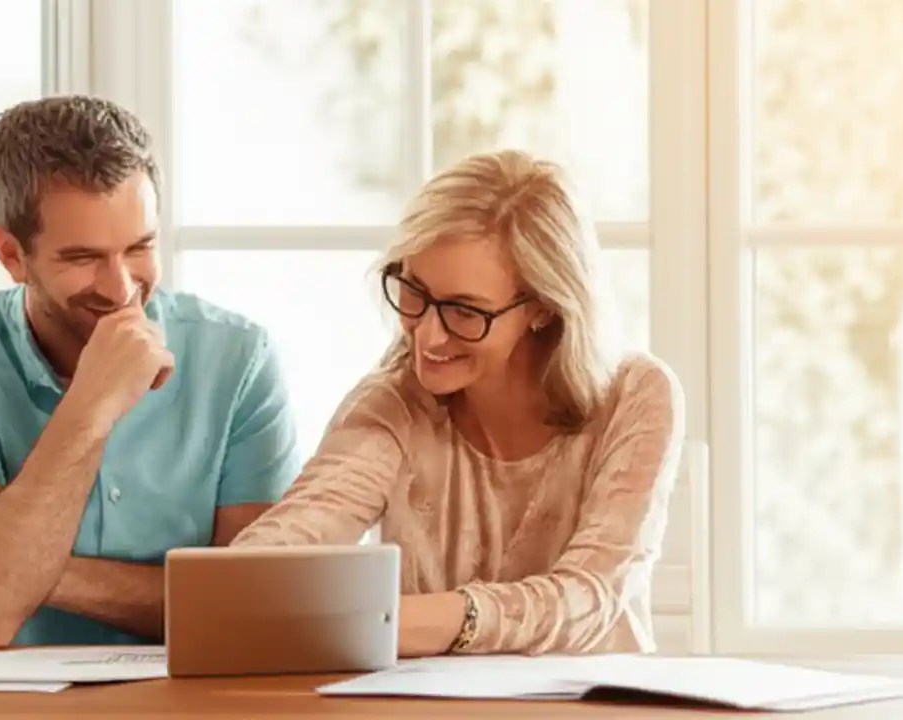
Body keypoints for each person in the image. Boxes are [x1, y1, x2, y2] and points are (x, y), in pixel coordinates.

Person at [232, 150, 684, 658]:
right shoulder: (394, 403)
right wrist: (255, 588)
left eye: (465, 311)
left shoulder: (636, 396)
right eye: (413, 292)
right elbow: (266, 563)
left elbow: (589, 597)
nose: (427, 333)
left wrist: (414, 620)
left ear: (541, 307)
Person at [0, 95, 301, 647]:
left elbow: (251, 607)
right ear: (11, 254)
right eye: (82, 258)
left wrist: (29, 567)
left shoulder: (239, 360)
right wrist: (92, 403)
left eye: (140, 247)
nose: (122, 287)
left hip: (182, 697)